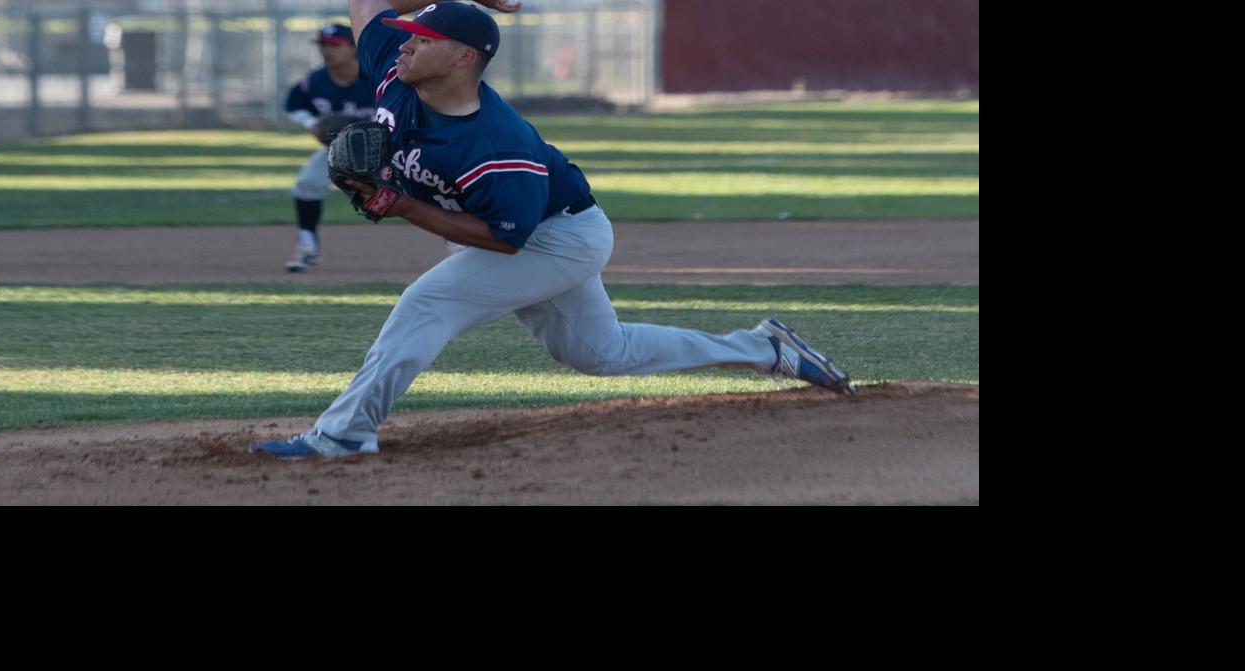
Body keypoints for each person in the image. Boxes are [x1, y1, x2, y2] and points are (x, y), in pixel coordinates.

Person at [250, 1, 854, 459]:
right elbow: (365, 3)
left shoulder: (497, 145)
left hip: (558, 238)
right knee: (602, 353)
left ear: (464, 58)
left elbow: (505, 238)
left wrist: (403, 205)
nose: (402, 44)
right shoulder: (394, 71)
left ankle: (345, 434)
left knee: (426, 304)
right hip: (510, 229)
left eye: (421, 39)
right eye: (407, 36)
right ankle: (764, 348)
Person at [281, 23, 378, 272]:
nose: (327, 50)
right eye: (322, 44)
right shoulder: (314, 81)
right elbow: (293, 104)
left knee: (424, 188)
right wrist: (311, 124)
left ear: (354, 47)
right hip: (341, 147)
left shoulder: (376, 75)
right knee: (307, 183)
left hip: (386, 147)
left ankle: (458, 245)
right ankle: (307, 247)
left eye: (335, 45)